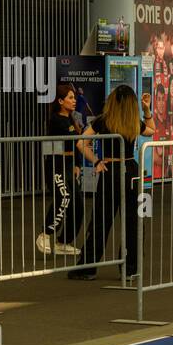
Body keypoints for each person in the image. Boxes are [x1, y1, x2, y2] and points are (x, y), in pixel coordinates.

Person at [69, 85, 154, 282]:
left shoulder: (103, 120)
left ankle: (88, 267)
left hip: (110, 171)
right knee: (136, 221)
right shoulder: (135, 121)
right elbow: (152, 131)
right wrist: (147, 110)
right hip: (134, 171)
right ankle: (131, 268)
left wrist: (96, 161)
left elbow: (81, 143)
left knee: (100, 220)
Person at [36, 84, 99, 257]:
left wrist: (77, 164)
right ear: (60, 101)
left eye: (74, 98)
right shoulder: (56, 119)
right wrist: (91, 131)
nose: (74, 101)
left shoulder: (72, 119)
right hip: (57, 166)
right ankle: (45, 234)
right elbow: (77, 141)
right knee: (64, 197)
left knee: (78, 204)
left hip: (70, 165)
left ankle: (64, 242)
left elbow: (76, 144)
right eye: (70, 98)